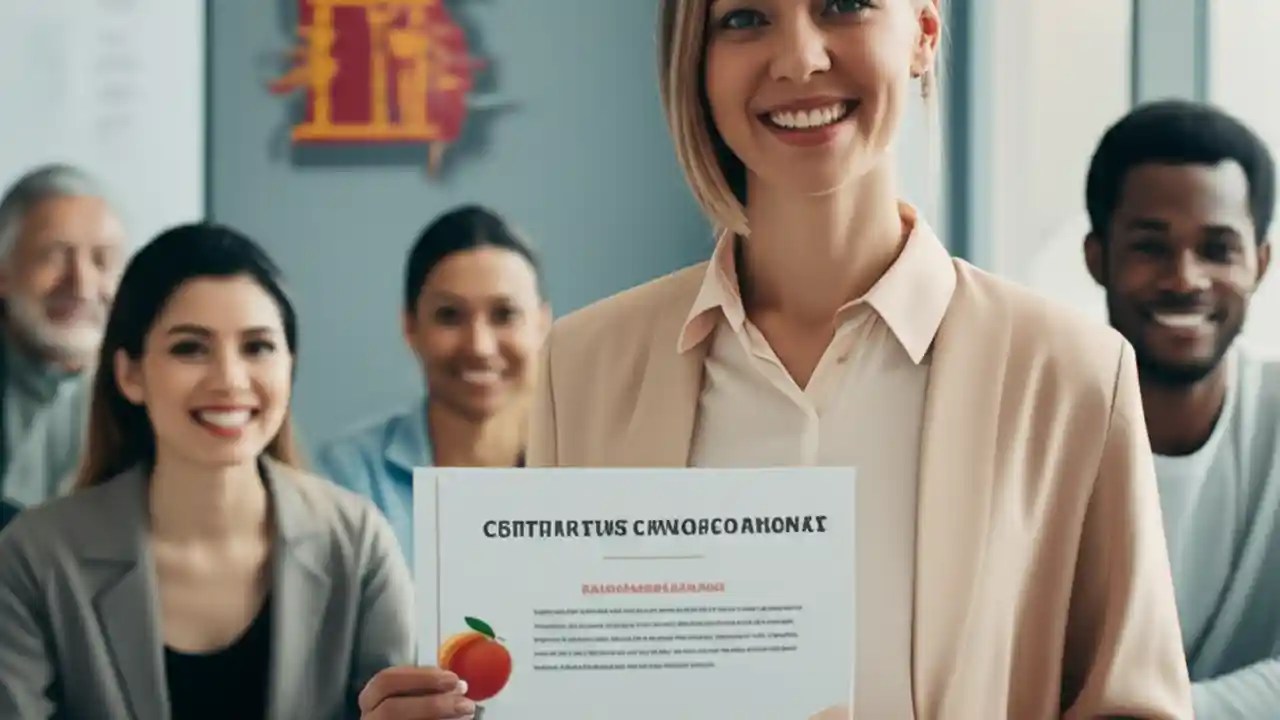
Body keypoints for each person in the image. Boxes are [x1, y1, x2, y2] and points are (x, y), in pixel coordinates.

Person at [0, 223, 413, 719]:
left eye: (257, 347)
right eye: (190, 348)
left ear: (290, 365)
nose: (229, 380)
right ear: (129, 372)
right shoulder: (35, 556)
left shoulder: (358, 543)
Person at [1083, 99, 1280, 718]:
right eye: (1150, 247)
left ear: (1261, 264)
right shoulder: (1037, 422)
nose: (1184, 278)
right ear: (1098, 258)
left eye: (1218, 249)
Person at [317, 205, 550, 564]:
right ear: (410, 327)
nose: (479, 347)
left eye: (504, 314)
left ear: (542, 324)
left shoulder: (594, 469)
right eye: (450, 316)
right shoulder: (345, 478)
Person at [0, 163, 127, 511]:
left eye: (102, 261)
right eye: (54, 257)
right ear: (3, 272)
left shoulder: (155, 390)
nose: (82, 286)